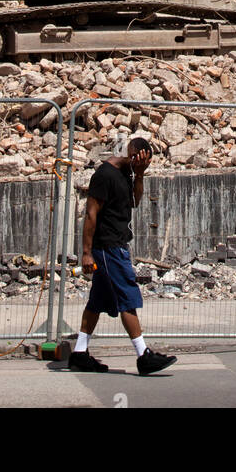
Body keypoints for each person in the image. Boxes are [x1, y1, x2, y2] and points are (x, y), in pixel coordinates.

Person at [68, 135, 176, 376]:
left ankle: (79, 353)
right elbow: (91, 215)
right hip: (108, 248)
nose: (144, 165)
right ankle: (143, 355)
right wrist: (86, 253)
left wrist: (139, 175)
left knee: (97, 301)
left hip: (116, 245)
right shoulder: (105, 175)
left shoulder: (128, 175)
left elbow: (136, 201)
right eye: (142, 161)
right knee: (128, 295)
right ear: (134, 154)